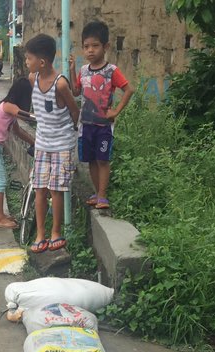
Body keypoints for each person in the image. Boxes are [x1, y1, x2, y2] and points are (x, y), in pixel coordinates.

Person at [68, 20, 135, 210]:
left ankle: (103, 196)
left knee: (102, 160)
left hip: (103, 127)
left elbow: (129, 89)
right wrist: (72, 71)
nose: (90, 50)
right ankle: (97, 193)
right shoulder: (83, 70)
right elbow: (75, 91)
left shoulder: (111, 71)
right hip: (86, 125)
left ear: (105, 47)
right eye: (86, 46)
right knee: (90, 160)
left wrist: (116, 111)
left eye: (95, 46)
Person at [25, 33, 79, 253]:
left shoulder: (61, 84)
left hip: (62, 144)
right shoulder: (32, 78)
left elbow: (74, 111)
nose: (27, 62)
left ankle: (55, 232)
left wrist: (71, 136)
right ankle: (40, 234)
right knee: (40, 188)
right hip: (42, 143)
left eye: (29, 58)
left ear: (42, 61)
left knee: (56, 190)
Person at [0, 77, 35, 229]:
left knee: (1, 180)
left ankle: (0, 214)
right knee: (0, 181)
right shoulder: (8, 106)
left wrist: (34, 142)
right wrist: (42, 118)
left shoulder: (9, 111)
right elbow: (23, 115)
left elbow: (18, 131)